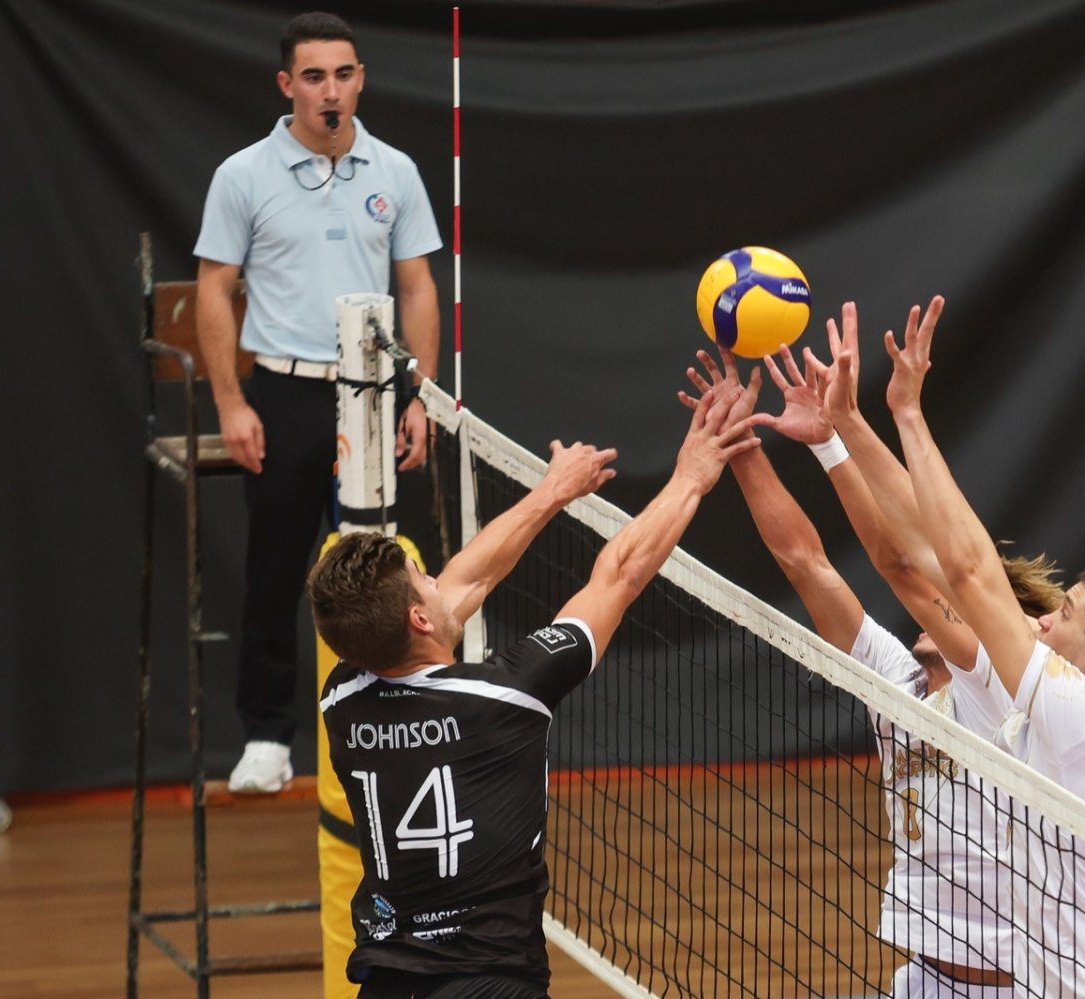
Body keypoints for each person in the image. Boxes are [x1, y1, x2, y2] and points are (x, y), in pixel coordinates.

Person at [309, 390, 757, 998]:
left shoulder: (341, 695)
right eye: (424, 579)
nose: (439, 579)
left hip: (390, 982)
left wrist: (553, 492)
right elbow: (621, 573)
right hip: (493, 983)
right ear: (417, 619)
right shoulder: (507, 696)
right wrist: (692, 477)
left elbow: (471, 578)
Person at [683, 345, 1061, 997]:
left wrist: (835, 443)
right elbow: (807, 563)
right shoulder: (900, 686)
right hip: (923, 978)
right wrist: (743, 444)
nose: (936, 614)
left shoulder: (1005, 694)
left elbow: (907, 567)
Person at [839, 295, 1085, 996]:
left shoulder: (1081, 718)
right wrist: (845, 424)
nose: (1038, 621)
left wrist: (908, 413)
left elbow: (967, 572)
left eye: (1062, 613)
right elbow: (925, 560)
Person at [193, 11, 443, 792]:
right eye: (313, 77)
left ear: (361, 78)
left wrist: (421, 397)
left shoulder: (394, 170)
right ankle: (267, 736)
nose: (329, 91)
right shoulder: (243, 175)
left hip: (374, 394)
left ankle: (402, 712)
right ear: (287, 85)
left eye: (343, 74)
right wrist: (232, 403)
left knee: (387, 569)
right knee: (275, 569)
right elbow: (213, 290)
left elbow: (417, 287)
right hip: (286, 393)